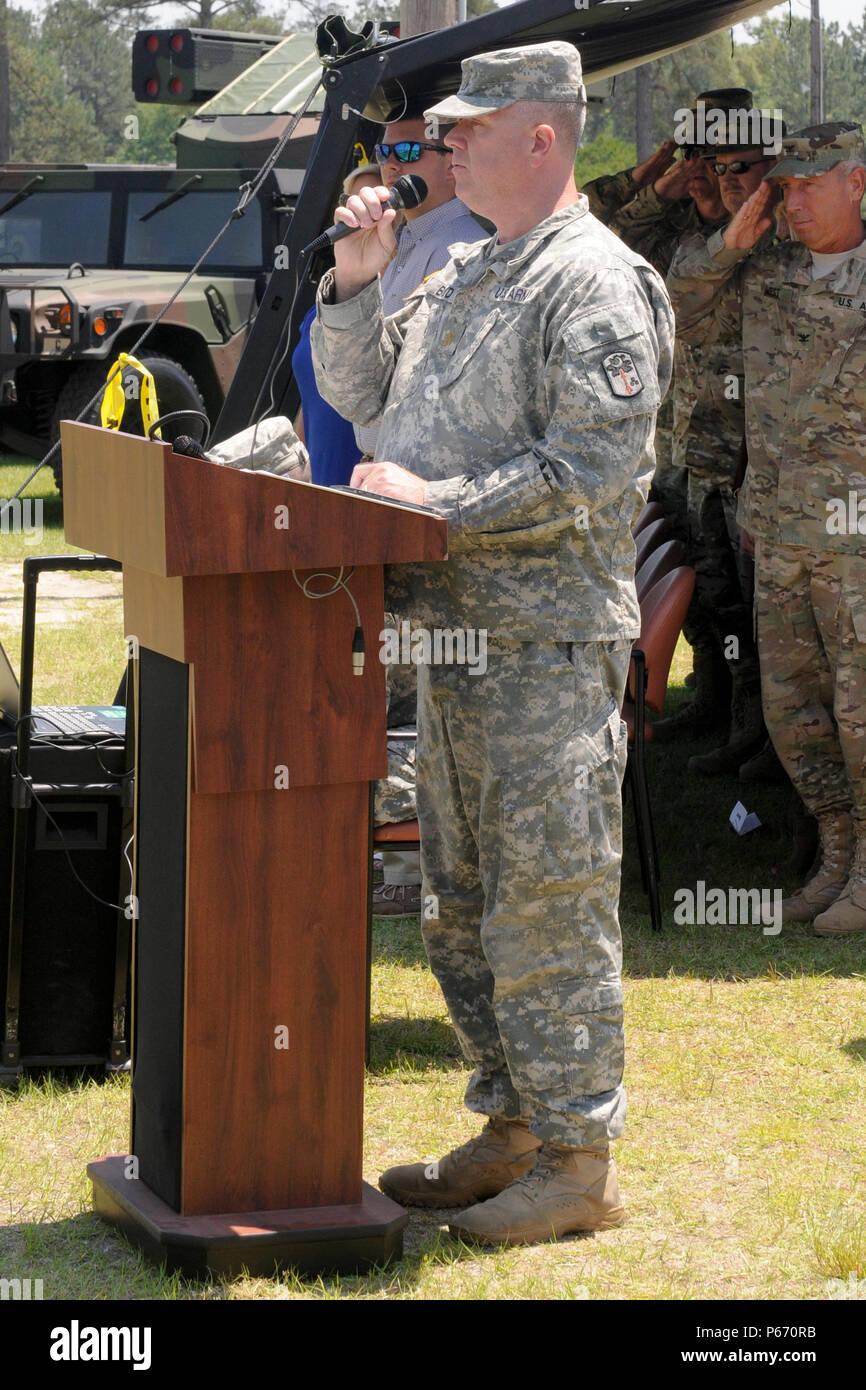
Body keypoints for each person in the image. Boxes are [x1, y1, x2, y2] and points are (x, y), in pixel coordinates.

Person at [311, 41, 674, 1245]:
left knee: (546, 905)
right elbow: (362, 395)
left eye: (471, 126)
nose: (444, 141)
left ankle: (577, 1159)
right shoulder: (469, 266)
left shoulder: (594, 281)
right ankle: (509, 1127)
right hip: (452, 644)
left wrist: (427, 506)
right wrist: (358, 281)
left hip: (540, 647)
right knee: (458, 906)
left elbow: (589, 471)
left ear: (544, 136)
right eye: (445, 127)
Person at [668, 122, 866, 935]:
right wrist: (729, 240)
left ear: (857, 181)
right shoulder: (770, 269)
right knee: (795, 714)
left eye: (811, 182)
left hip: (855, 548)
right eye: (785, 184)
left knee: (861, 716)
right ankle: (837, 858)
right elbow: (678, 303)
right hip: (780, 535)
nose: (794, 198)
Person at [656, 95, 782, 773]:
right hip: (703, 458)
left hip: (761, 465)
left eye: (746, 166)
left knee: (768, 617)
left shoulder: (793, 246)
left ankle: (773, 740)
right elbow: (678, 294)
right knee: (723, 607)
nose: (731, 178)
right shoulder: (708, 249)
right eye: (720, 166)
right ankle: (736, 718)